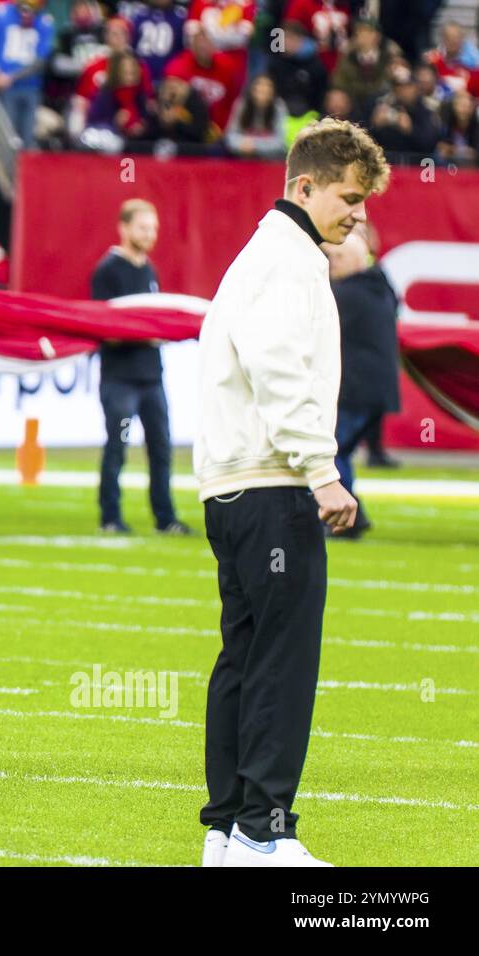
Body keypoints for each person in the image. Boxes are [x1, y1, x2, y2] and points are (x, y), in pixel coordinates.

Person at [194, 118, 388, 866]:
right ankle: (263, 831)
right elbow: (279, 372)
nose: (359, 214)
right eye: (349, 197)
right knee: (281, 659)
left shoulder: (269, 254)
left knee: (244, 658)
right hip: (273, 486)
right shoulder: (289, 261)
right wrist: (323, 471)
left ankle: (227, 832)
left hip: (238, 486)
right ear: (303, 187)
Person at [89, 199, 186, 536]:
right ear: (124, 227)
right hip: (121, 379)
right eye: (144, 227)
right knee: (118, 446)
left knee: (162, 448)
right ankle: (110, 516)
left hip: (151, 377)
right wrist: (149, 334)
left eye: (154, 228)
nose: (150, 234)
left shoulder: (148, 269)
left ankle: (165, 517)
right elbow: (105, 328)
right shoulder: (108, 271)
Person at [327, 228, 398, 539]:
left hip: (355, 389)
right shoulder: (380, 288)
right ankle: (354, 515)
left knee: (330, 453)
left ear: (356, 260)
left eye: (338, 256)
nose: (331, 263)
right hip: (376, 391)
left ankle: (344, 517)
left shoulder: (346, 295)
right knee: (339, 452)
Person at [0, 0, 56, 148]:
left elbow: (41, 61)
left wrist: (10, 77)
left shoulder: (45, 21)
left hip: (30, 87)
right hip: (3, 88)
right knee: (5, 137)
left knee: (27, 139)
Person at [225, 74, 289, 158]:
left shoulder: (279, 107)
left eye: (267, 86)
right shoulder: (242, 104)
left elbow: (281, 141)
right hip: (242, 153)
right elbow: (230, 135)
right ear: (252, 89)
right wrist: (241, 144)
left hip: (269, 157)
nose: (263, 89)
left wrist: (255, 145)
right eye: (259, 85)